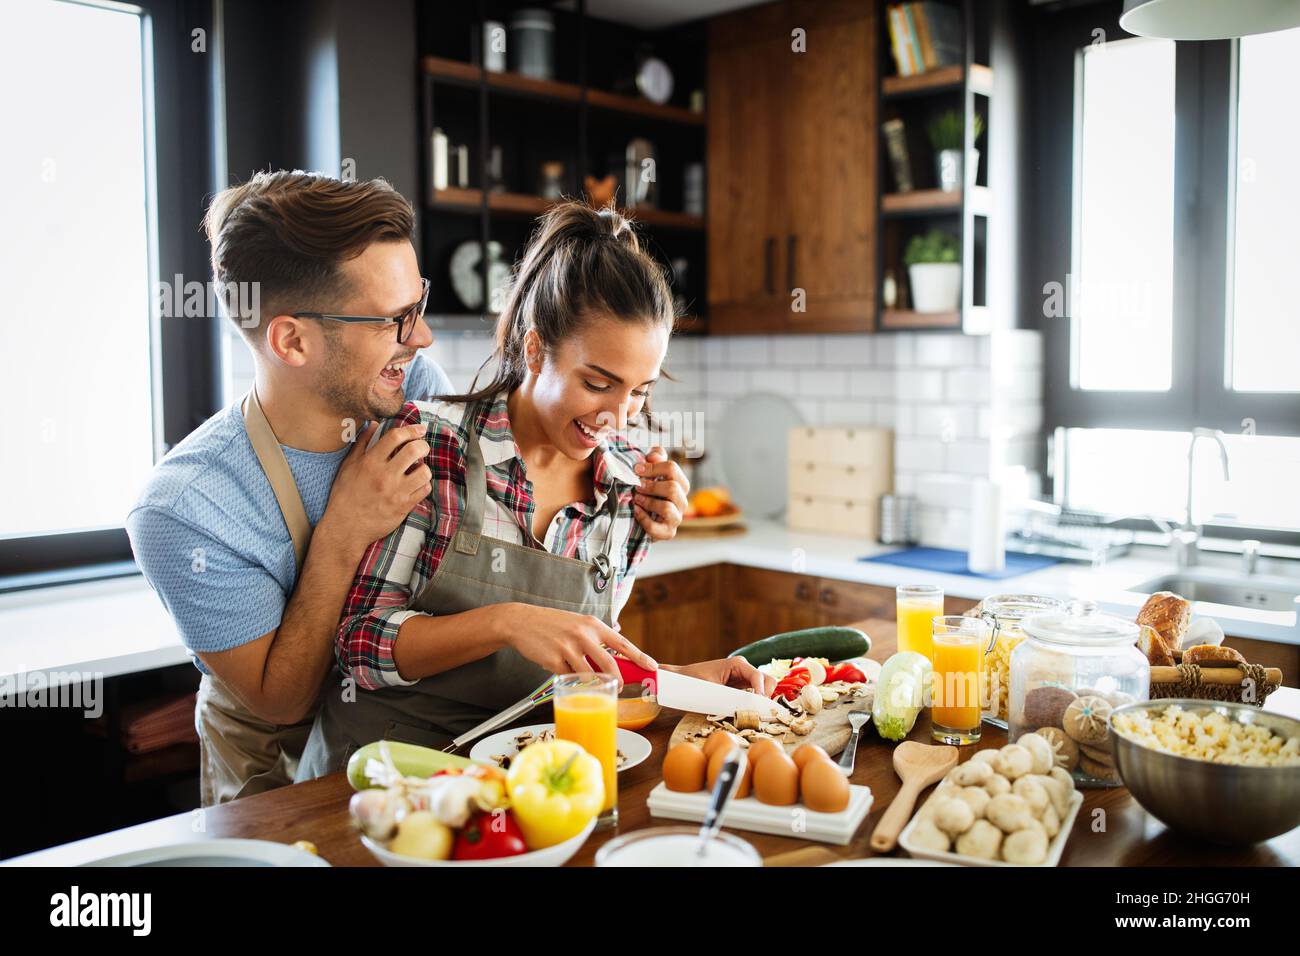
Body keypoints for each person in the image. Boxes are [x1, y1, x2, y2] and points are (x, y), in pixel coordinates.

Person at [127, 173, 689, 804]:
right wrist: (343, 531)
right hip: (272, 763)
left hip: (440, 758)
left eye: (416, 306)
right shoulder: (186, 510)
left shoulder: (410, 386)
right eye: (395, 320)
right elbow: (282, 701)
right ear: (292, 339)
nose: (421, 339)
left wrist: (640, 503)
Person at [297, 203, 771, 776]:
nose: (618, 419)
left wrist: (687, 681)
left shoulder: (626, 487)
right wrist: (506, 621)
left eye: (640, 392)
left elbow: (585, 677)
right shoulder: (431, 446)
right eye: (598, 383)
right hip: (383, 778)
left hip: (528, 781)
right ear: (535, 350)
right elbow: (359, 645)